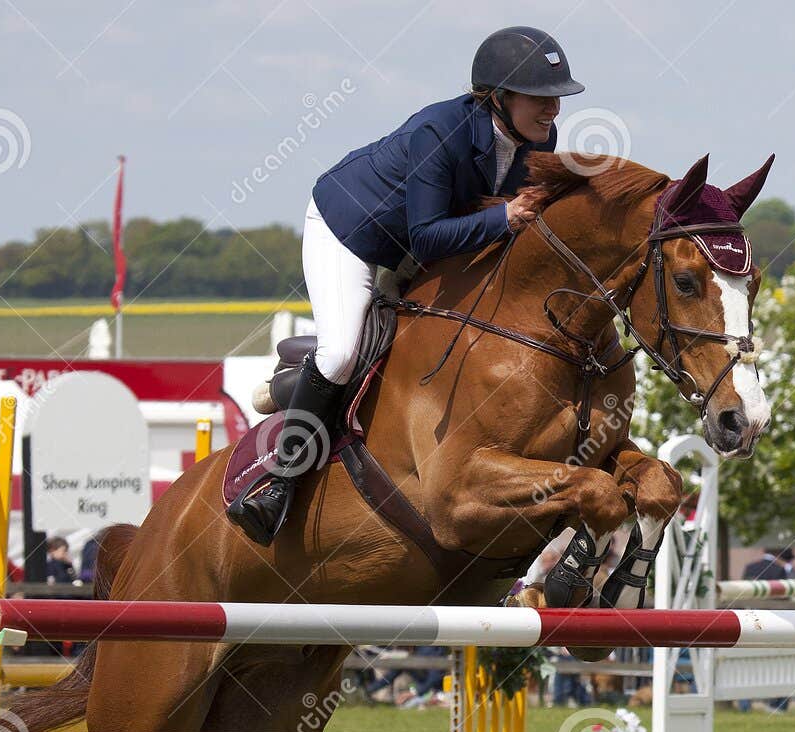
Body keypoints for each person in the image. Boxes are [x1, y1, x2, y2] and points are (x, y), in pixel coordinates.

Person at [227, 27, 583, 545]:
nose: (552, 110)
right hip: (350, 230)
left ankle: (299, 388)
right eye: (540, 98)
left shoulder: (537, 139)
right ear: (498, 97)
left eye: (557, 99)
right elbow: (429, 233)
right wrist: (505, 217)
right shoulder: (440, 132)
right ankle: (278, 482)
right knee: (344, 352)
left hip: (416, 242)